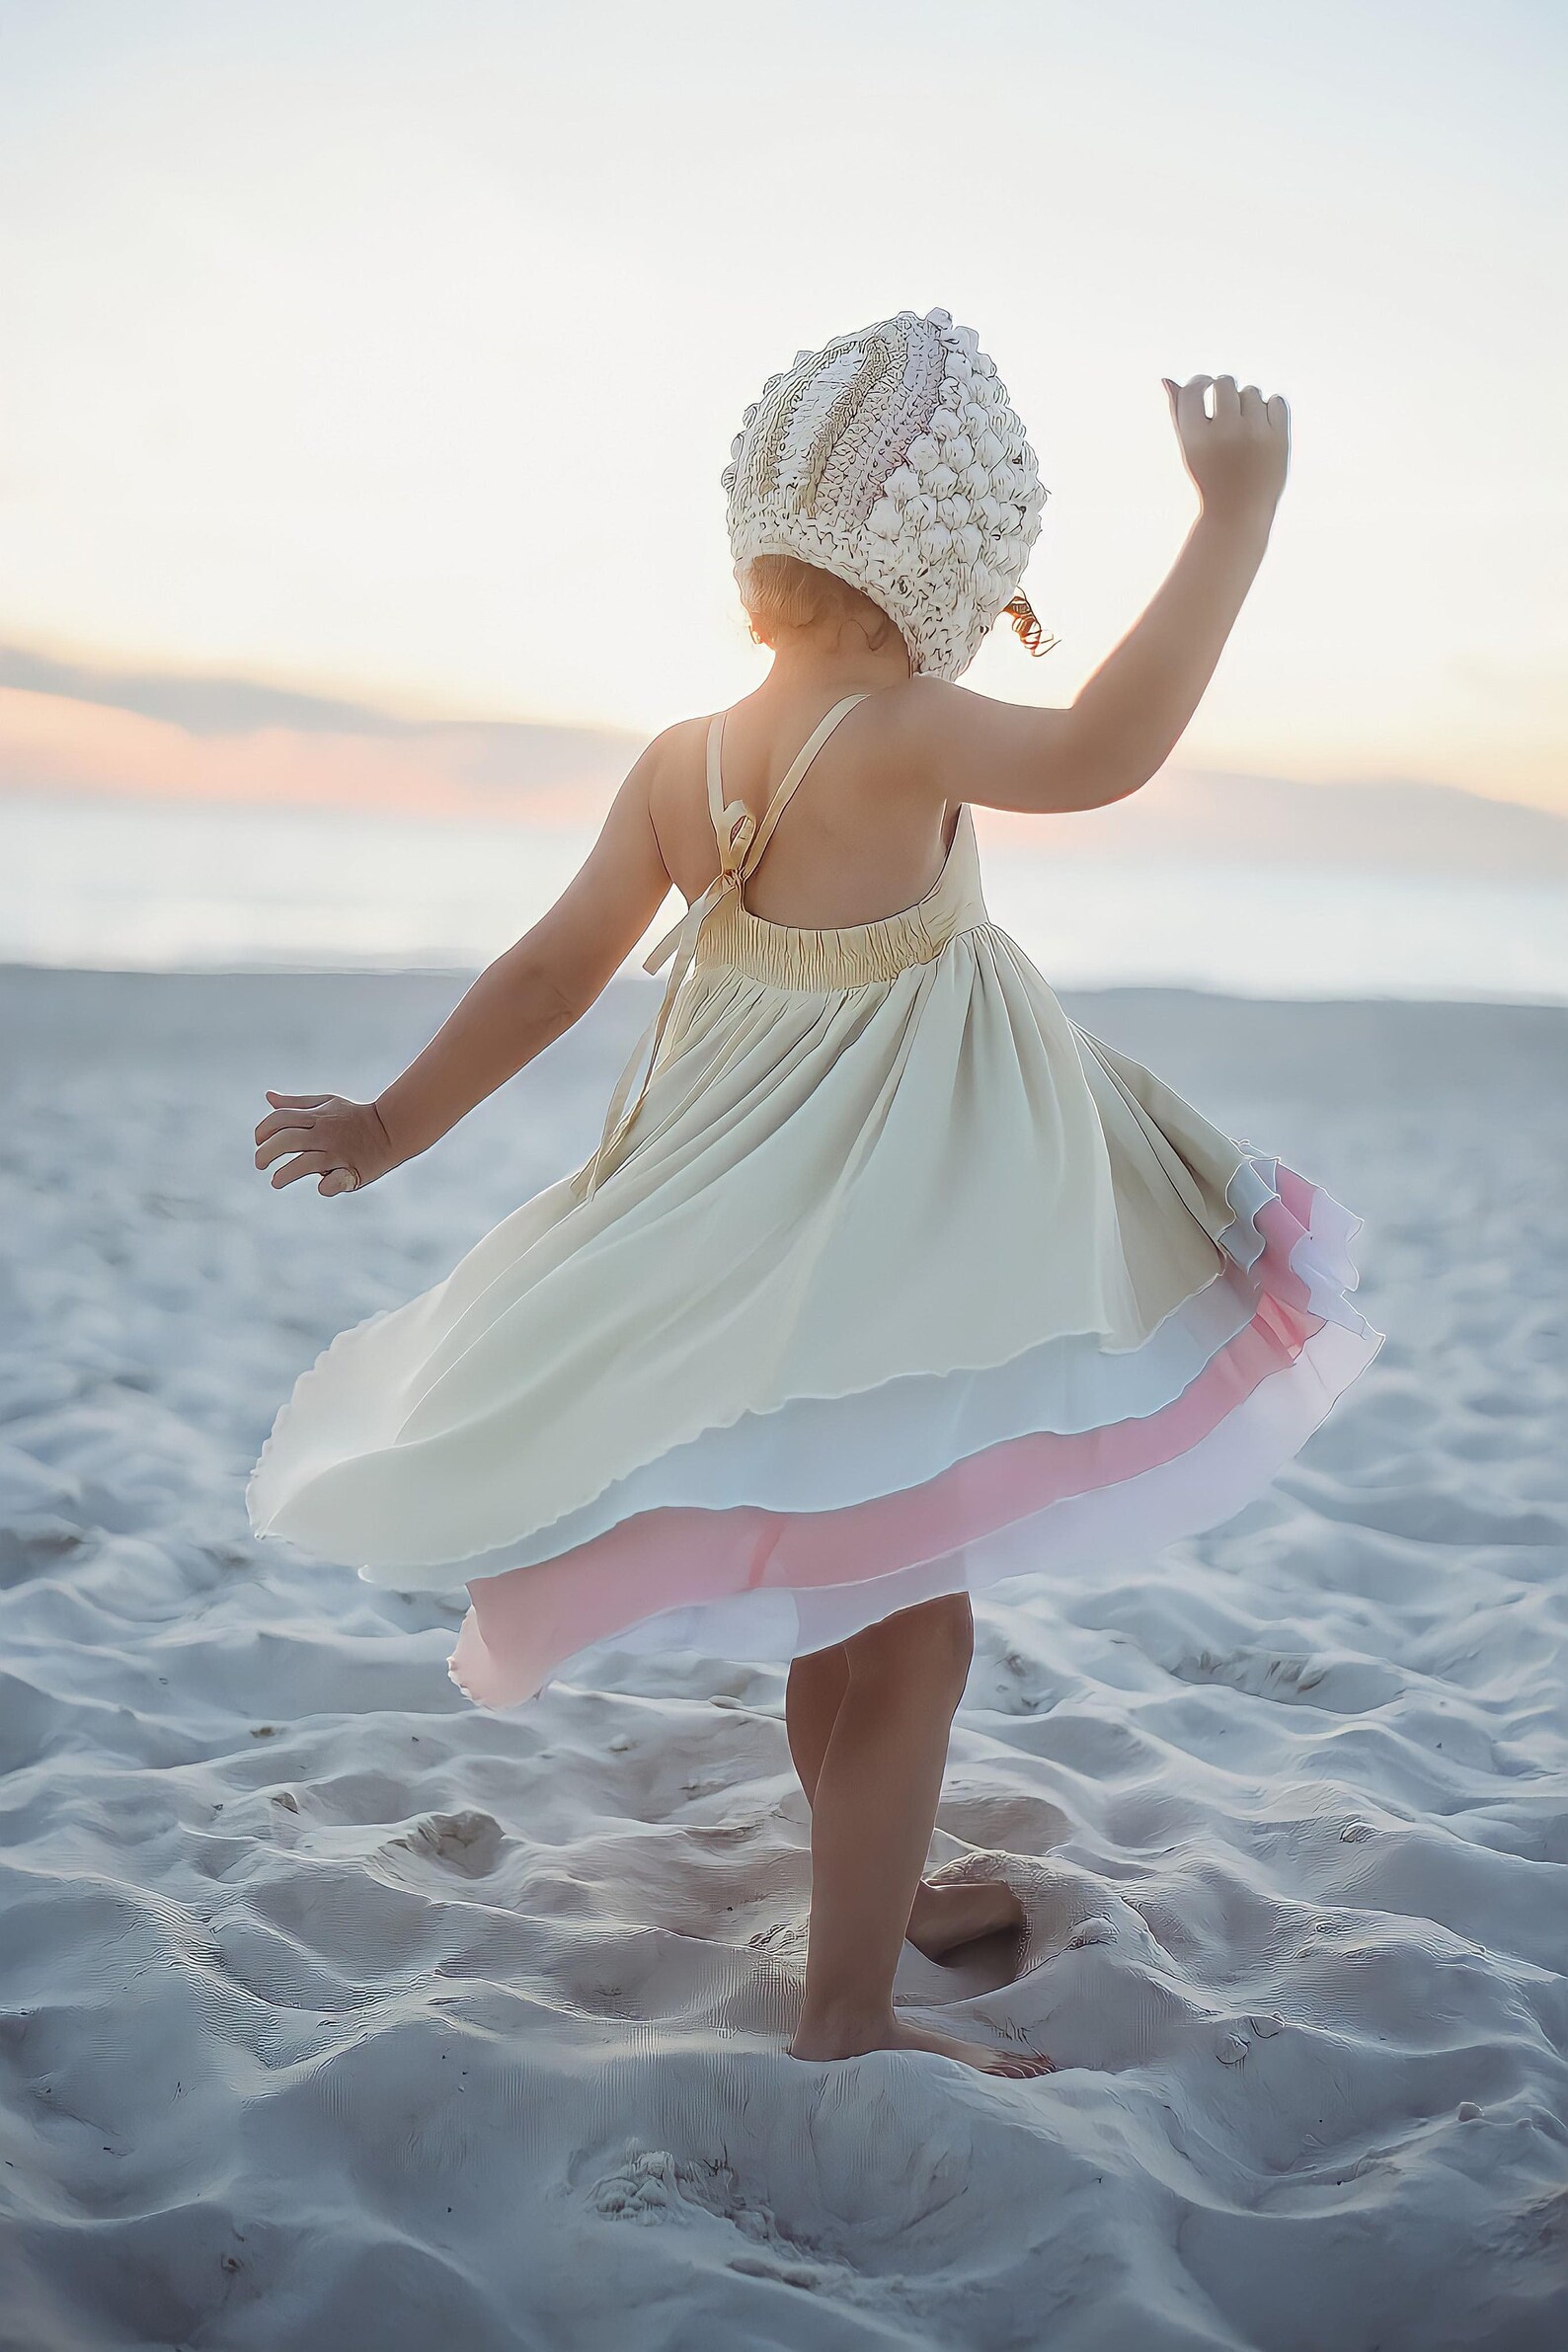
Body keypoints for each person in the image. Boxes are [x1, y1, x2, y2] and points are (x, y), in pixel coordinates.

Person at [248, 308, 1380, 2078]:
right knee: (915, 1630)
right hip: (888, 1242)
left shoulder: (684, 755)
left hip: (761, 1236)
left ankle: (878, 1884)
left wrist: (391, 1123)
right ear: (956, 560)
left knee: (851, 1602)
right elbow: (1106, 747)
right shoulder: (902, 730)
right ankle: (847, 2006)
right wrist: (1232, 521)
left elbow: (550, 973)